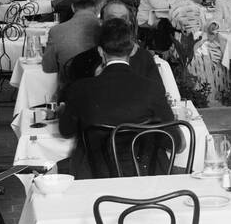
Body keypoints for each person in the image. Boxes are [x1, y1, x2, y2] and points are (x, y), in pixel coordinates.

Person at [58, 18, 180, 178]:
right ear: (133, 51)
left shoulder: (80, 88)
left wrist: (63, 112)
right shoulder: (151, 88)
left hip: (96, 180)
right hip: (146, 178)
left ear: (101, 52)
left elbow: (66, 131)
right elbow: (175, 143)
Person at [63, 0, 163, 88]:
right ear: (101, 22)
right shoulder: (82, 61)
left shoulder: (145, 59)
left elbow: (157, 95)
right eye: (112, 19)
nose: (118, 24)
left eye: (123, 19)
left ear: (129, 23)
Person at [42, 0, 103, 83]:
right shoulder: (105, 29)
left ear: (73, 7)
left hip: (69, 91)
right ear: (99, 7)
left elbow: (48, 68)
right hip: (101, 89)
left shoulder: (56, 31)